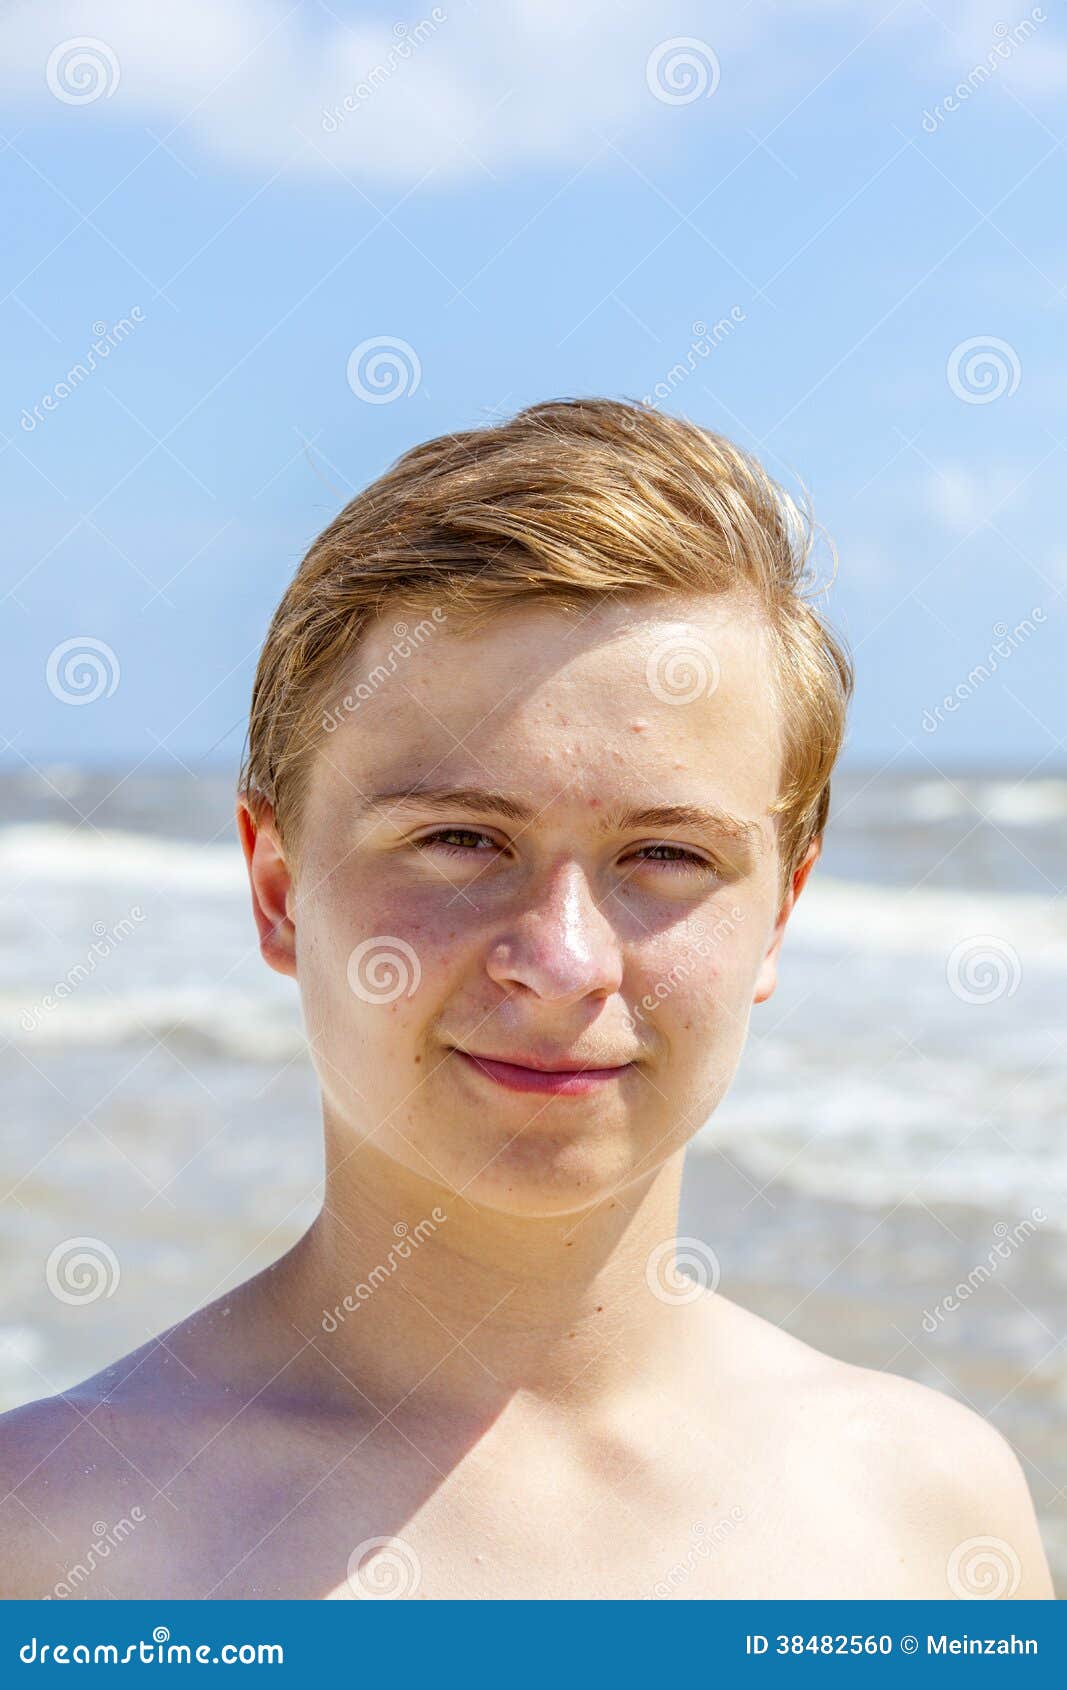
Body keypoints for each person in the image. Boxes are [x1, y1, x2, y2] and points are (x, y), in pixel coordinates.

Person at [0, 399, 1053, 1600]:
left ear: (780, 908)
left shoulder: (921, 1524)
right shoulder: (50, 1540)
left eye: (664, 855)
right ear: (278, 889)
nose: (560, 962)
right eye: (458, 837)